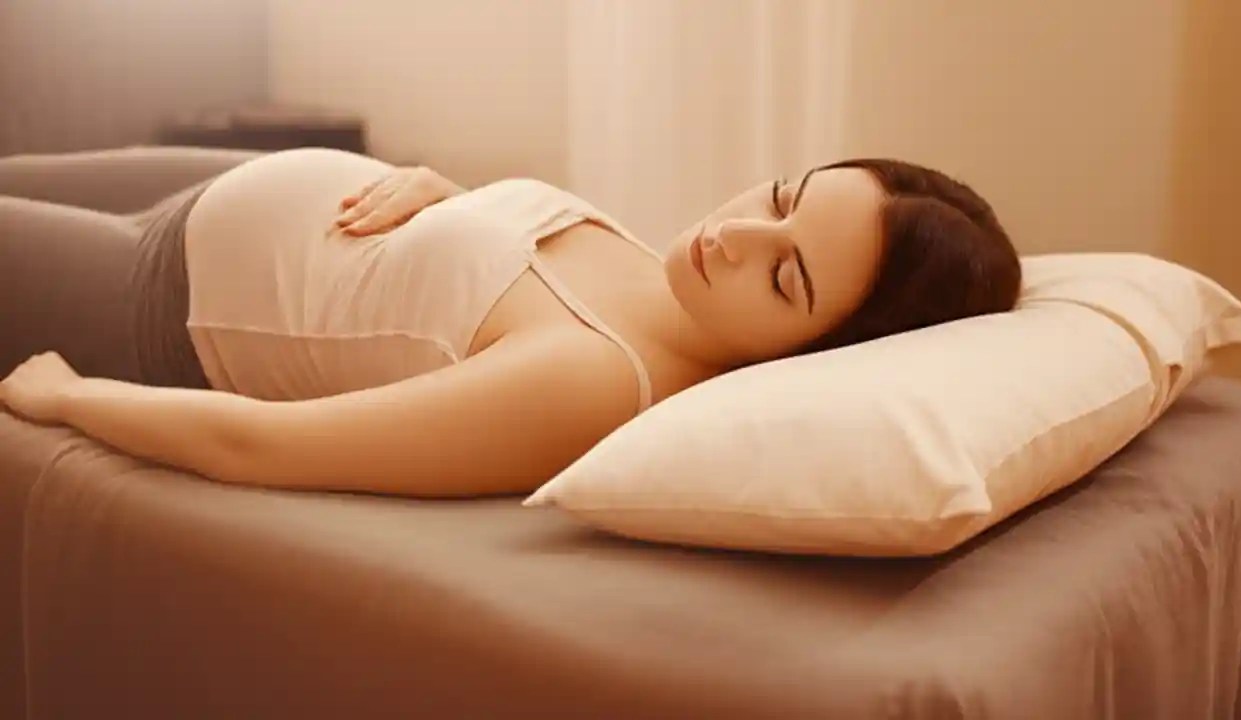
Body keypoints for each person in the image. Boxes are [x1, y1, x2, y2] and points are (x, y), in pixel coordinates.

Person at [0, 146, 1021, 497]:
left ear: (816, 355)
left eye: (784, 278)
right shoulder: (672, 280)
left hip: (148, 301)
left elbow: (261, 446)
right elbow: (472, 286)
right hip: (207, 196)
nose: (736, 236)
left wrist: (70, 397)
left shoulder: (595, 383)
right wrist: (455, 196)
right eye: (781, 196)